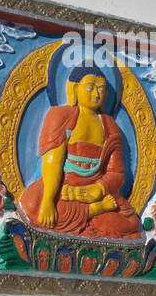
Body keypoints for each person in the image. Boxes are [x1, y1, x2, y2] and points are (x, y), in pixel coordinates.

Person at [19, 62, 141, 238]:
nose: (96, 93)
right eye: (90, 87)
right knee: (32, 206)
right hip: (62, 187)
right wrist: (47, 201)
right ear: (74, 88)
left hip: (96, 189)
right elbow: (53, 162)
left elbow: (116, 173)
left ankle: (93, 213)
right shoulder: (61, 115)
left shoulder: (110, 126)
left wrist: (97, 190)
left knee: (128, 224)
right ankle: (92, 212)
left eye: (101, 89)